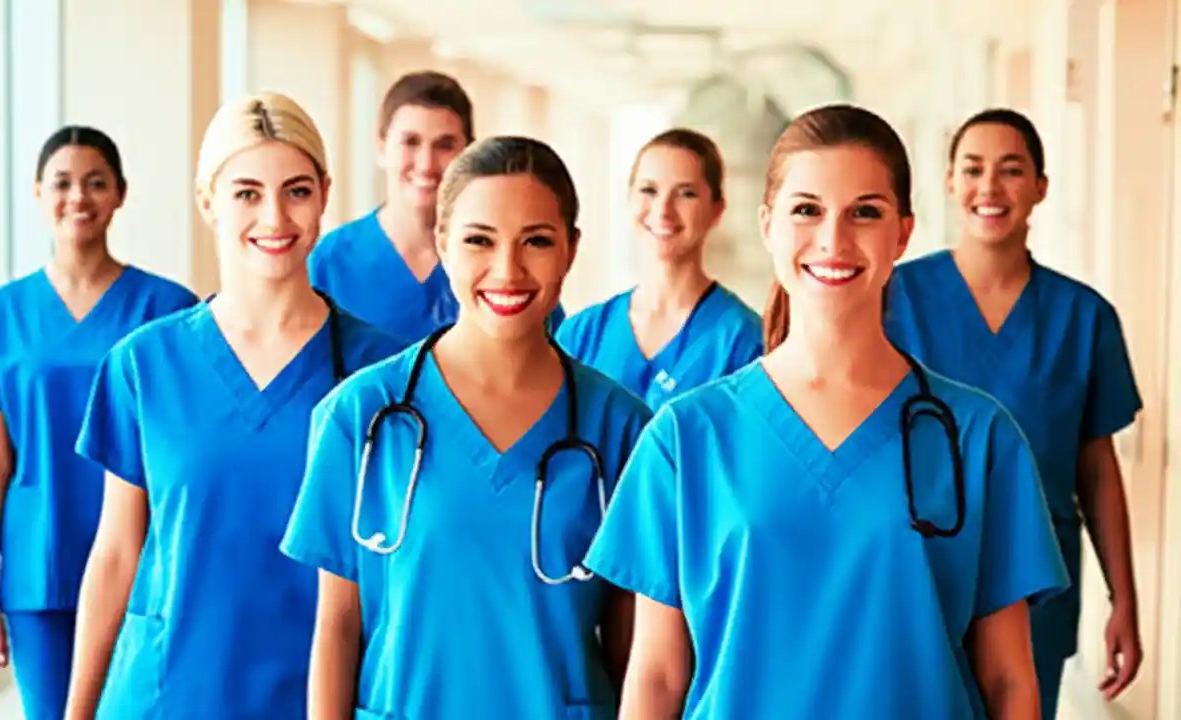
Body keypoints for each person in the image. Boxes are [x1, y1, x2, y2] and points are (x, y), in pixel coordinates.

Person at [582, 104, 1070, 719]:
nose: (834, 240)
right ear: (767, 224)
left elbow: (1009, 682)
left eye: (864, 212)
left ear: (903, 233)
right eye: (807, 210)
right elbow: (655, 680)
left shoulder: (976, 437)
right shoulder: (687, 437)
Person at [281, 136, 652, 719]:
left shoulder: (622, 429)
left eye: (536, 241)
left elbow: (638, 656)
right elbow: (338, 624)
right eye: (480, 240)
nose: (508, 270)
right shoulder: (361, 415)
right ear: (443, 243)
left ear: (571, 250)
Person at [63, 92, 402, 719]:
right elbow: (115, 553)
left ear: (325, 195)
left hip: (315, 696)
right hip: (166, 695)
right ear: (207, 201)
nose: (274, 216)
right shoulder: (144, 365)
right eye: (247, 192)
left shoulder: (379, 374)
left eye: (297, 191)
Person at [884, 108, 1144, 720]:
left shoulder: (1084, 318)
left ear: (1040, 187)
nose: (990, 188)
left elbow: (1096, 469)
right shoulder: (894, 299)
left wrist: (1124, 601)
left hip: (1033, 577)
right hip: (915, 572)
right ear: (950, 182)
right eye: (973, 169)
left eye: (1011, 170)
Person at [0, 126, 197, 719]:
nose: (78, 197)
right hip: (39, 562)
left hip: (143, 562)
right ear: (38, 193)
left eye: (95, 183)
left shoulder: (167, 310)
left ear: (120, 194)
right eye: (62, 183)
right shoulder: (0, 315)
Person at [306, 70, 563, 345]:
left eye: (445, 145)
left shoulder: (504, 264)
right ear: (381, 147)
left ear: (468, 155)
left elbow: (552, 354)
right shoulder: (330, 263)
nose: (426, 164)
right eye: (411, 142)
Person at [555, 128, 762, 410]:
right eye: (649, 190)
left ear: (717, 210)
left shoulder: (744, 340)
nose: (663, 210)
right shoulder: (581, 334)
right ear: (629, 198)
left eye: (686, 194)